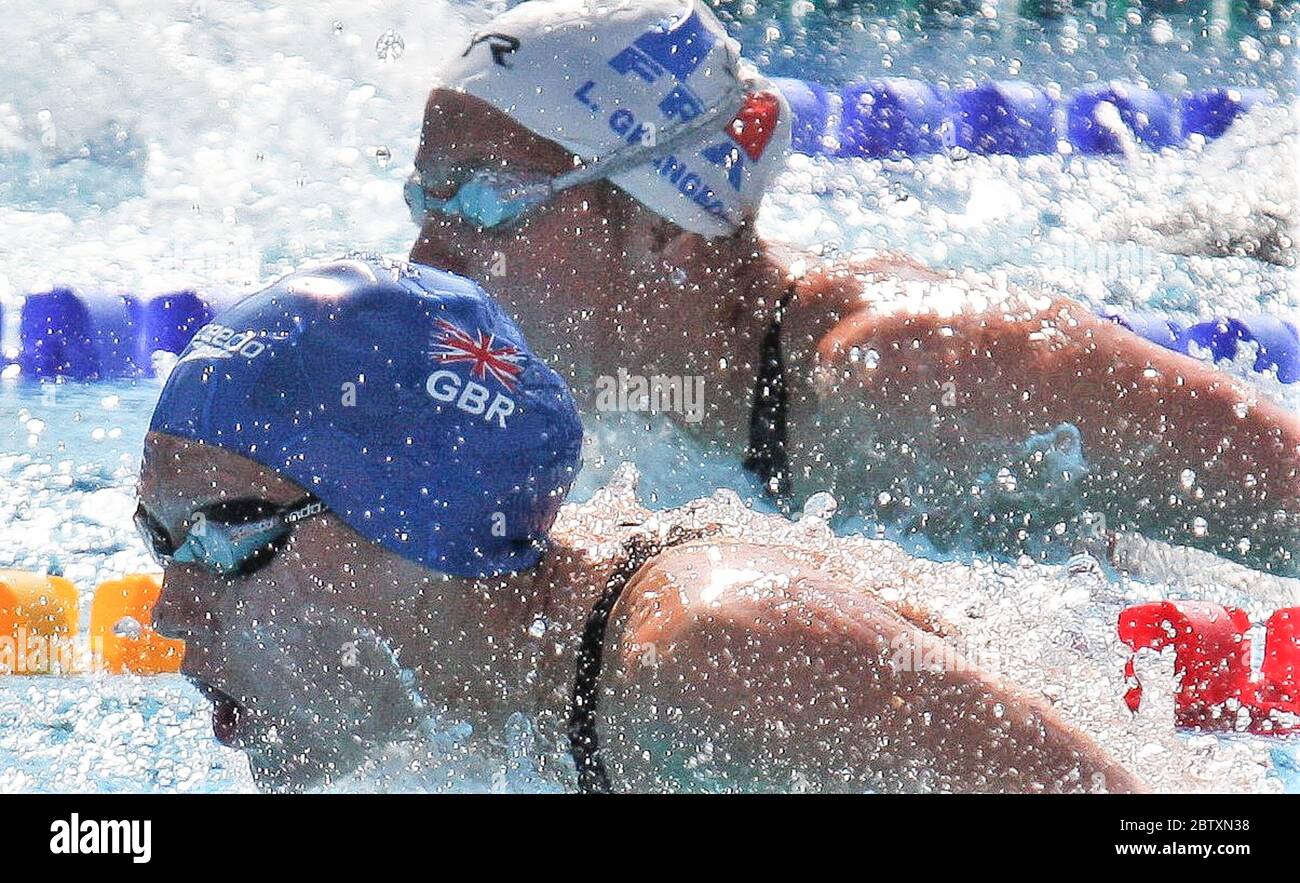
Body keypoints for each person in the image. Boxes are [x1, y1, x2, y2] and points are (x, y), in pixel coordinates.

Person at [136, 255, 1142, 793]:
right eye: (161, 543)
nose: (170, 613)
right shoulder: (469, 703)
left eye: (229, 537)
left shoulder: (719, 658)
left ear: (420, 522)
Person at [407, 0, 1299, 575]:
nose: (427, 252)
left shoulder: (929, 373)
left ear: (663, 224)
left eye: (487, 199)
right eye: (427, 196)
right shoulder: (552, 384)